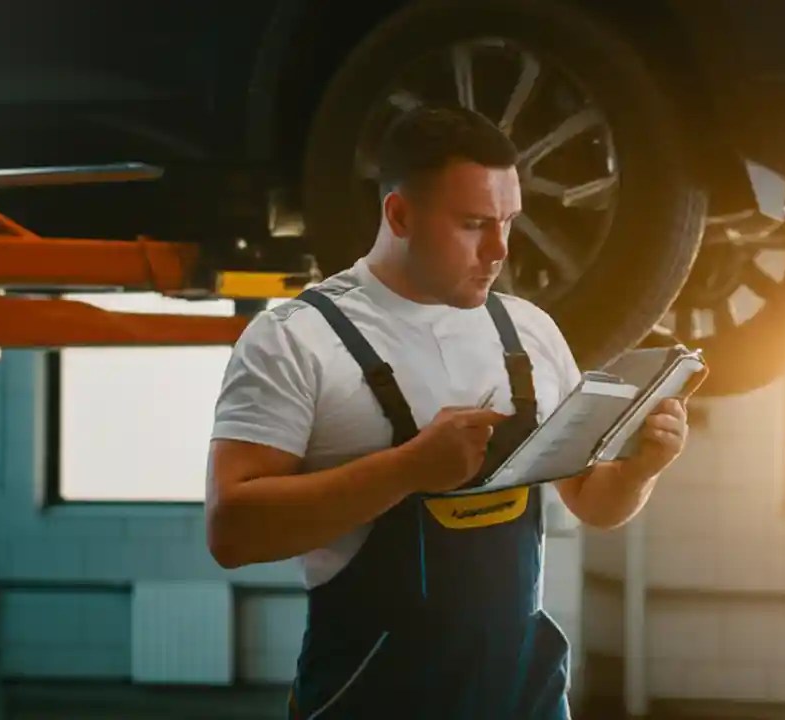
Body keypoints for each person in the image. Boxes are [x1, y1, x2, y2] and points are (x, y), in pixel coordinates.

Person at [204, 106, 689, 718]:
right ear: (399, 214)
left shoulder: (529, 332)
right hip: (369, 700)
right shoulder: (297, 339)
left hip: (523, 699)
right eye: (473, 224)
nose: (499, 249)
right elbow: (230, 530)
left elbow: (594, 501)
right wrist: (407, 469)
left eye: (509, 221)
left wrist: (642, 468)